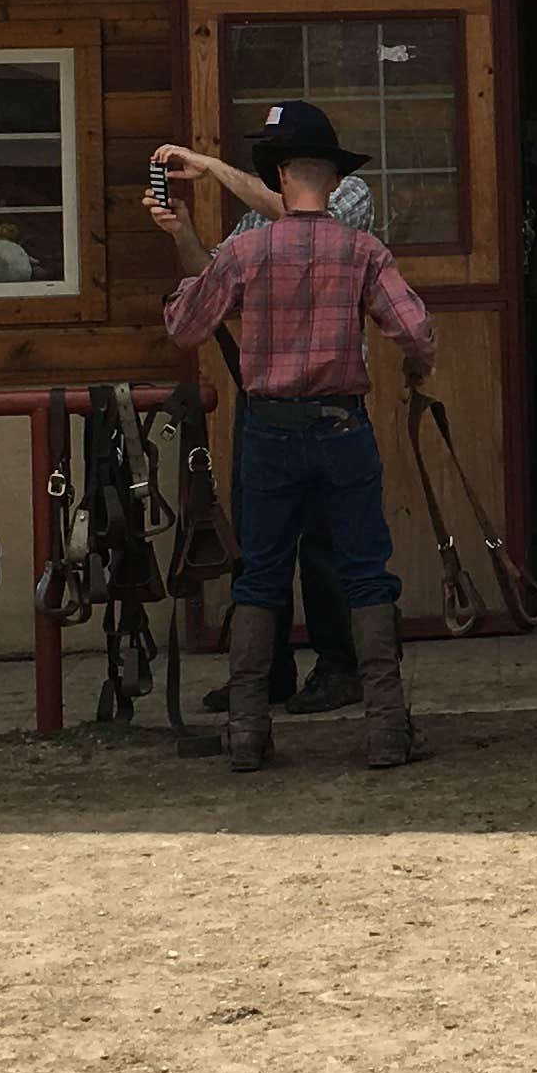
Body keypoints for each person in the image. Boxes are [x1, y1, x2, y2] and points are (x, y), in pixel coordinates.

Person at [153, 100, 438, 768]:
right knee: (364, 571)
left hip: (269, 430)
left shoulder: (245, 250)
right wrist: (417, 365)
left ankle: (248, 731)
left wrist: (185, 261)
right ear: (332, 179)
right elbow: (416, 331)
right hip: (342, 426)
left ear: (280, 175)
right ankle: (386, 728)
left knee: (260, 573)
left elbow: (186, 328)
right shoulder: (363, 250)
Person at [206, 150, 376, 710]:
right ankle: (265, 671)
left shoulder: (351, 195)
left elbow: (306, 224)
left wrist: (212, 168)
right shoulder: (252, 224)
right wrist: (179, 231)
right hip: (268, 403)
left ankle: (339, 666)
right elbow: (213, 277)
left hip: (328, 404)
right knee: (260, 546)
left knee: (327, 546)